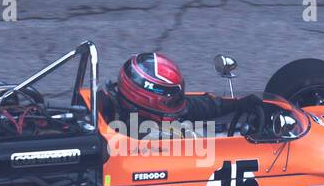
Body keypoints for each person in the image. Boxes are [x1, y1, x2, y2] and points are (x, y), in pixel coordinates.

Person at [106, 52, 261, 134]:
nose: (178, 104)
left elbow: (191, 107)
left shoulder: (118, 106)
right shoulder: (149, 134)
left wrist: (235, 104)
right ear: (145, 100)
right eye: (171, 102)